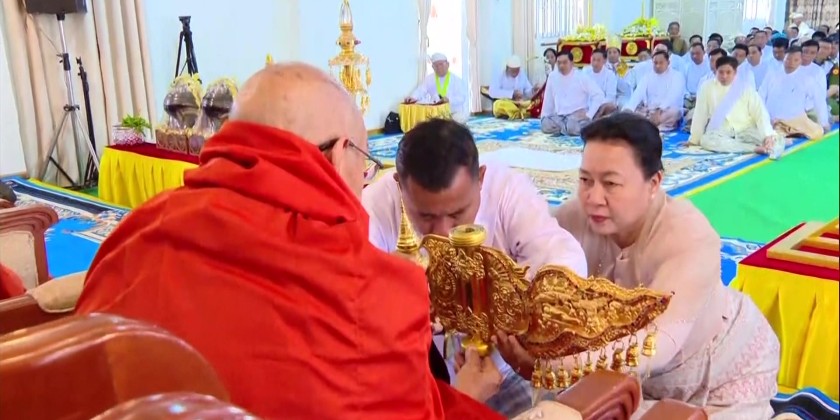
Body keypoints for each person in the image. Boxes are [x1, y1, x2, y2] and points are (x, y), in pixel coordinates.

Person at [75, 62, 504, 419]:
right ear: (341, 153)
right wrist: (465, 398)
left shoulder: (135, 231)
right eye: (365, 164)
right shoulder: (375, 292)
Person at [460, 113, 780, 418]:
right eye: (585, 180)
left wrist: (549, 368)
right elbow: (518, 271)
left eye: (611, 184)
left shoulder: (690, 237)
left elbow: (657, 344)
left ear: (654, 182)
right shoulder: (575, 216)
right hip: (627, 381)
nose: (593, 197)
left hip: (722, 372)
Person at [363, 118, 588, 418]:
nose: (443, 233)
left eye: (457, 213)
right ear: (399, 187)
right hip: (417, 375)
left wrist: (505, 319)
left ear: (480, 179)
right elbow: (355, 297)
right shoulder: (376, 206)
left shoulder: (506, 191)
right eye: (426, 216)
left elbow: (565, 262)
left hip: (501, 364)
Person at [688, 56, 781, 157]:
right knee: (706, 141)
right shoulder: (706, 87)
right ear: (716, 71)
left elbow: (760, 112)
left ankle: (760, 144)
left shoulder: (745, 87)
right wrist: (694, 139)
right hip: (720, 131)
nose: (724, 76)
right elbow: (700, 114)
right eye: (721, 72)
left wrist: (767, 135)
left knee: (774, 140)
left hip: (745, 129)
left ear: (735, 72)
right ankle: (753, 148)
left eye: (728, 72)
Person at [759, 47, 828, 139]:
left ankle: (793, 132)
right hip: (774, 120)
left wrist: (823, 121)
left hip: (797, 120)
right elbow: (761, 96)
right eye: (788, 59)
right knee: (770, 136)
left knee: (817, 132)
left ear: (800, 61)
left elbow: (819, 101)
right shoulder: (772, 75)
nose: (791, 63)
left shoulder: (807, 79)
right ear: (784, 59)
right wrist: (764, 117)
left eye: (795, 60)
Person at [540, 51, 606, 136]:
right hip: (559, 117)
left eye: (564, 62)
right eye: (559, 63)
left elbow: (599, 95)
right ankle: (564, 129)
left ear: (572, 63)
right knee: (545, 125)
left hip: (577, 116)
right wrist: (544, 117)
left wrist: (589, 115)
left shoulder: (581, 76)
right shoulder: (552, 77)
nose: (561, 66)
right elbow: (548, 99)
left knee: (572, 126)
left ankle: (566, 129)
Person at [622, 50, 686, 131]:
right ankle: (649, 124)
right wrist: (629, 108)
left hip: (665, 110)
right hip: (649, 111)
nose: (658, 65)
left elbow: (672, 97)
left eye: (661, 63)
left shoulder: (677, 76)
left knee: (674, 112)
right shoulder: (648, 76)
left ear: (668, 62)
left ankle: (651, 125)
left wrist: (659, 110)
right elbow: (638, 93)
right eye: (655, 63)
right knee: (632, 112)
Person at [405, 53, 470, 123]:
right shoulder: (429, 79)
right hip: (437, 112)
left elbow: (462, 98)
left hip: (455, 111)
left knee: (456, 121)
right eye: (436, 65)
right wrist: (413, 97)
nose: (439, 67)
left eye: (441, 64)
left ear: (447, 64)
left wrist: (449, 100)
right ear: (433, 67)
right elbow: (421, 90)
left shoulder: (457, 80)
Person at [490, 55, 534, 119]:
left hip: (519, 103)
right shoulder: (500, 74)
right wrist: (512, 94)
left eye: (517, 70)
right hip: (505, 103)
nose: (515, 73)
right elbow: (492, 92)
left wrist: (533, 90)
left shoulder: (521, 73)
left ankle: (517, 113)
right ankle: (517, 113)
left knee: (532, 103)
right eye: (513, 70)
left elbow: (527, 91)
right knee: (498, 105)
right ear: (507, 68)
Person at [583, 49, 619, 116]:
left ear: (604, 61)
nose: (595, 63)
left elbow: (610, 97)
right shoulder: (585, 71)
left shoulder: (610, 75)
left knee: (609, 107)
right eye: (593, 59)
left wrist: (596, 106)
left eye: (598, 60)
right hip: (586, 105)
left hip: (602, 105)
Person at [527, 48, 558, 119]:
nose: (549, 59)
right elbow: (534, 90)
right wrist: (535, 88)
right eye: (547, 57)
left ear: (556, 59)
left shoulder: (559, 72)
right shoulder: (539, 71)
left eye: (552, 57)